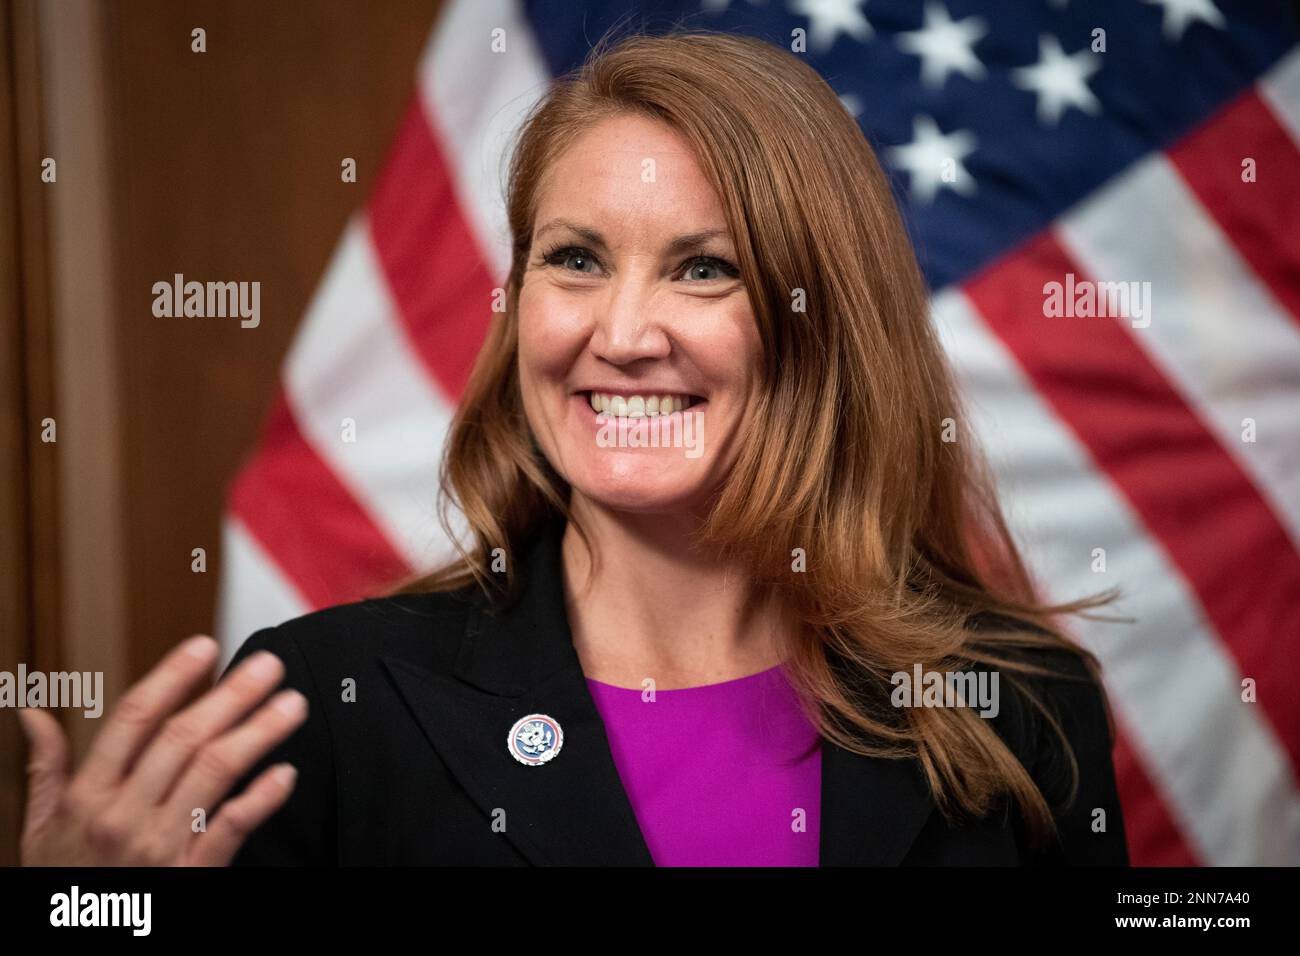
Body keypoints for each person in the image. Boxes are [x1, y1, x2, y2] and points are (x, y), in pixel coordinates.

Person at [18, 28, 1128, 866]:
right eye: (576, 260)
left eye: (704, 267)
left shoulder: (1019, 704)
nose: (622, 334)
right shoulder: (325, 702)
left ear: (821, 321)